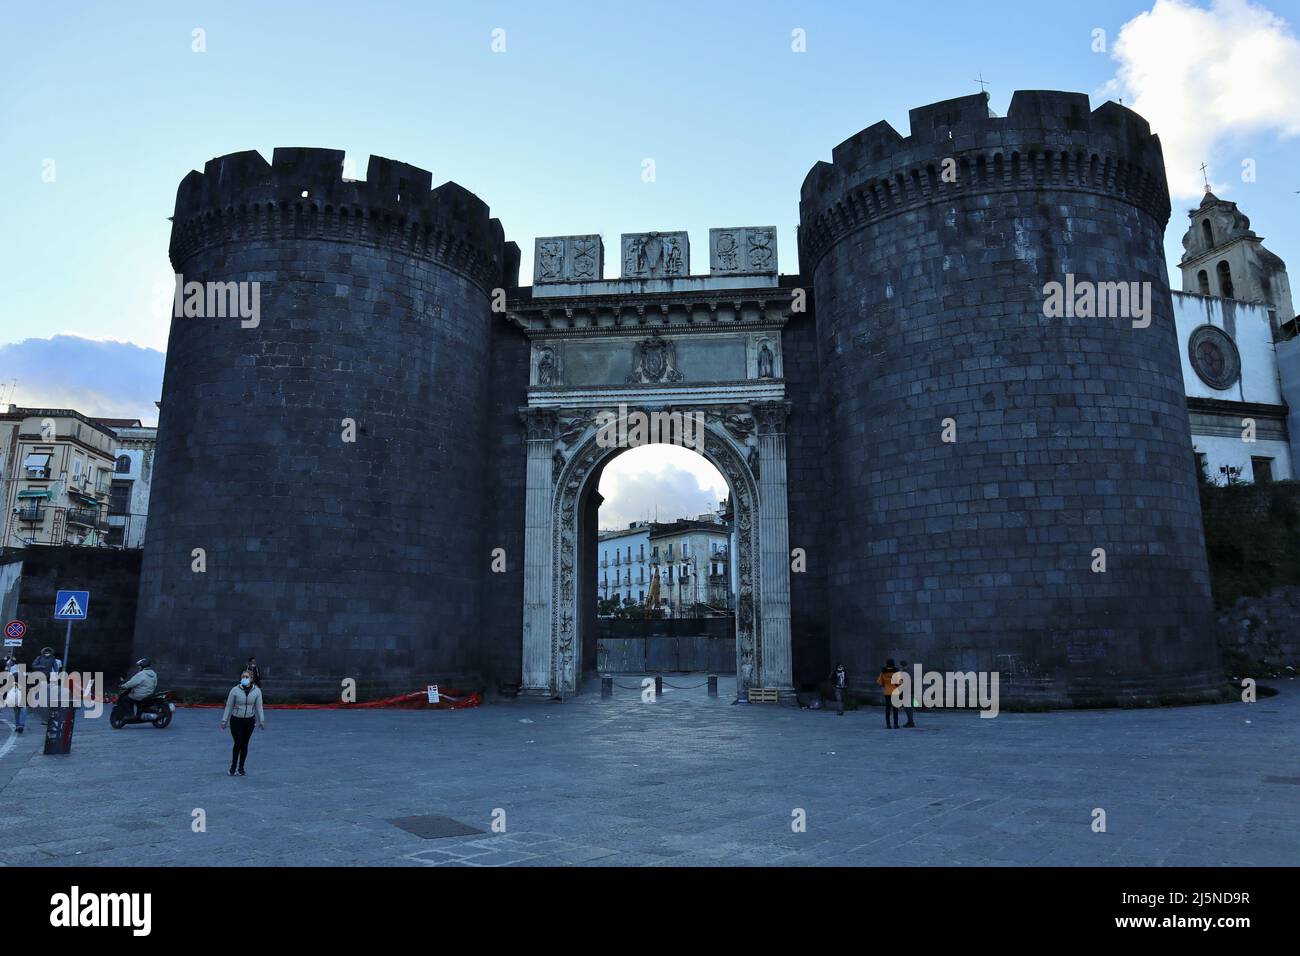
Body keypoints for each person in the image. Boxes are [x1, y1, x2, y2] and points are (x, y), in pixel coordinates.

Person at [220, 669, 265, 776]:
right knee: (238, 742)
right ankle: (233, 766)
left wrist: (261, 720)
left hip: (249, 720)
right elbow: (229, 706)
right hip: (236, 720)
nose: (244, 679)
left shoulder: (257, 691)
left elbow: (259, 707)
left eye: (246, 677)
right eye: (243, 677)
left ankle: (241, 767)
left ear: (251, 679)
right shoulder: (235, 690)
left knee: (245, 744)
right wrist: (224, 720)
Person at [29, 646, 62, 725]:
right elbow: (34, 665)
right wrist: (40, 666)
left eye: (49, 652)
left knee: (46, 689)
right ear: (43, 652)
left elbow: (55, 667)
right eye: (46, 652)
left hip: (48, 676)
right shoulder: (39, 658)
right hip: (39, 675)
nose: (47, 653)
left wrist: (56, 674)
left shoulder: (52, 658)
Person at [2, 654, 24, 734]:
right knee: (16, 711)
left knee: (22, 710)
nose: (9, 663)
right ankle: (18, 725)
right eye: (8, 663)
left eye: (10, 662)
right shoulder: (7, 670)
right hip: (13, 693)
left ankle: (20, 725)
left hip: (21, 692)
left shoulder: (19, 668)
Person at [875, 659, 900, 729]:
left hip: (887, 691)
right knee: (895, 709)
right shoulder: (896, 672)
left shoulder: (883, 672)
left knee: (888, 709)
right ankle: (895, 724)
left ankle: (888, 724)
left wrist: (886, 685)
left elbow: (880, 682)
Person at [898, 658, 916, 728]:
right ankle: (910, 721)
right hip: (911, 691)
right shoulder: (910, 671)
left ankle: (910, 722)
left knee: (908, 707)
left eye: (900, 666)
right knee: (909, 707)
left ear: (902, 666)